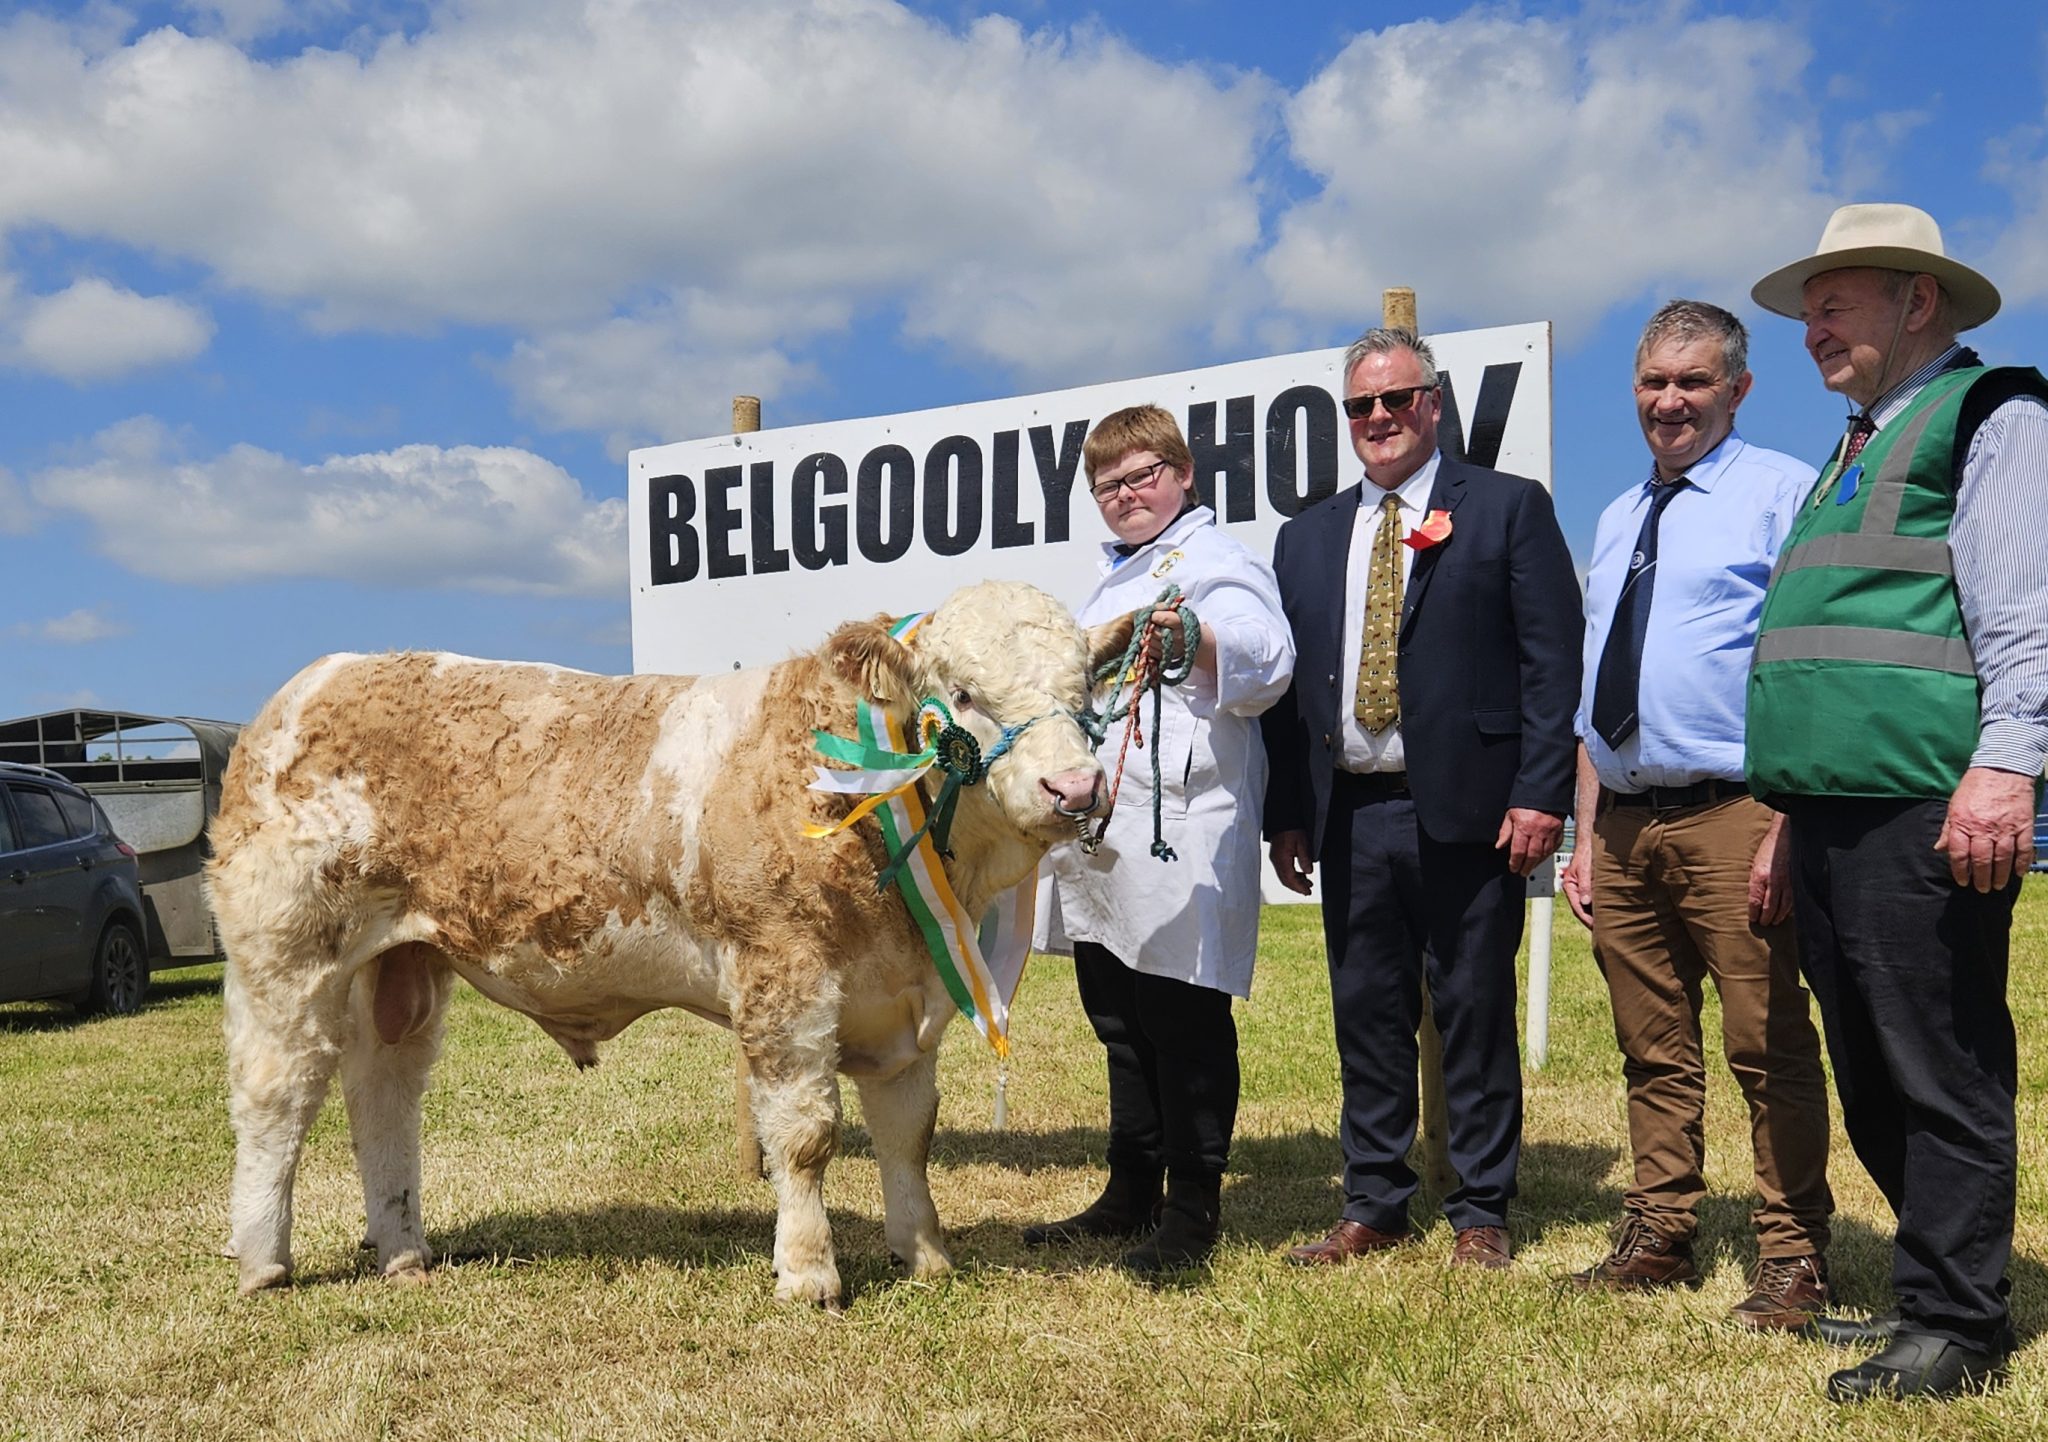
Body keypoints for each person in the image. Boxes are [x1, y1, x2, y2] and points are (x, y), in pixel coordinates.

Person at [1746, 203, 2048, 1402]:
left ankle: (1956, 1320)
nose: (1810, 324)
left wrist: (2005, 766)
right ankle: (1934, 1283)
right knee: (1870, 1066)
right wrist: (1782, 814)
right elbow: (1827, 645)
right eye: (1807, 304)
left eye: (1834, 299)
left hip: (1924, 801)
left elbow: (2023, 613)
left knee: (1938, 1059)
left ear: (1916, 301)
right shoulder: (1854, 442)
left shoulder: (1992, 416)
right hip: (1827, 811)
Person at [1261, 327, 1580, 1270]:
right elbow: (1290, 695)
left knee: (1474, 1009)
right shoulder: (1308, 535)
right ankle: (1373, 1202)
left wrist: (1540, 794)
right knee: (1365, 1012)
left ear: (1433, 405)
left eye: (1397, 400)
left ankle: (1481, 1206)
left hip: (1476, 813)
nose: (1379, 419)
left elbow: (1551, 664)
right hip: (1349, 813)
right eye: (1361, 406)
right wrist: (1288, 811)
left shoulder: (1509, 509)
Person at [1559, 299, 1834, 1328]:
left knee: (1766, 1046)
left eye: (1690, 381)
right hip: (1624, 817)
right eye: (1651, 382)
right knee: (1649, 1045)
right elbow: (1599, 686)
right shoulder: (1616, 514)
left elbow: (1803, 664)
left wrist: (1785, 816)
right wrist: (1585, 831)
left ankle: (1793, 1254)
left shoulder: (1778, 494)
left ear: (1736, 389)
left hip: (1735, 811)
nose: (1667, 401)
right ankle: (1658, 1231)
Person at [1028, 403, 1295, 1273]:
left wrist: (1198, 635)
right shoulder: (1110, 578)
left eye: (1143, 475)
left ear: (1183, 474)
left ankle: (1193, 1214)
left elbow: (1268, 655)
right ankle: (1130, 1189)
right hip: (1106, 828)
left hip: (1180, 824)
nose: (1126, 494)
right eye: (1109, 484)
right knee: (1118, 1016)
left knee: (1182, 1018)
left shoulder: (1215, 562)